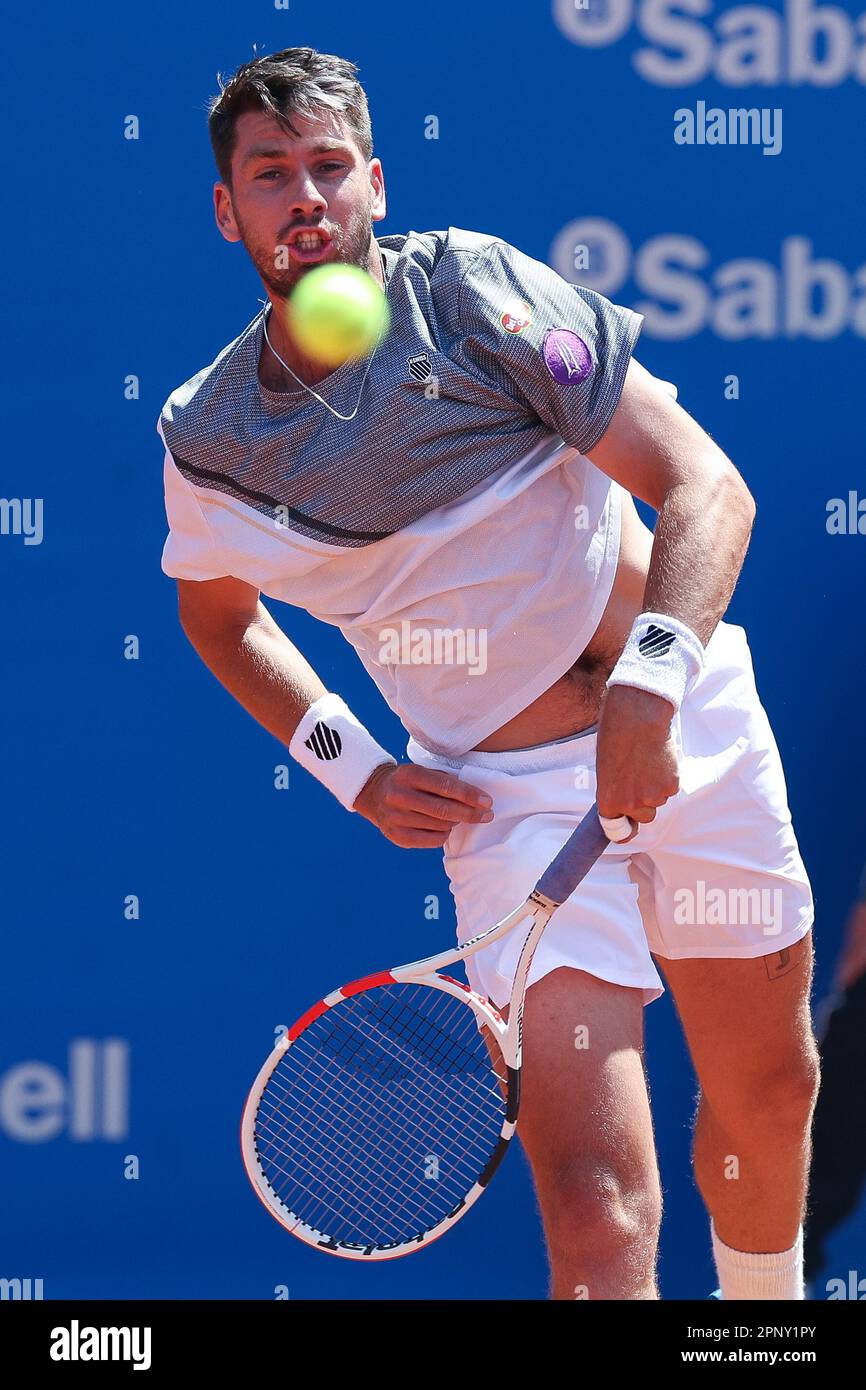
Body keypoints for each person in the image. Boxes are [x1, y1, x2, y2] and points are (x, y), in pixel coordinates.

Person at [158, 46, 819, 1300]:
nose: (304, 197)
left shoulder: (472, 292)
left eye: (328, 167)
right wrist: (348, 767)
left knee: (768, 1091)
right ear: (226, 208)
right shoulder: (211, 441)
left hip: (690, 727)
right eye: (269, 174)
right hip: (509, 805)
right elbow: (215, 616)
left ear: (373, 183)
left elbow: (706, 489)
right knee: (588, 1196)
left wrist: (650, 687)